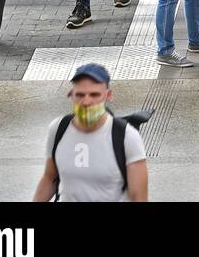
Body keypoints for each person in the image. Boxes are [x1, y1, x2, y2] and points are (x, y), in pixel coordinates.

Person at [32, 63, 149, 202]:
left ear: (108, 95)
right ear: (71, 95)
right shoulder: (58, 128)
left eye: (94, 95)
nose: (86, 101)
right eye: (80, 95)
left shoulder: (127, 136)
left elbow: (139, 197)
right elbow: (49, 178)